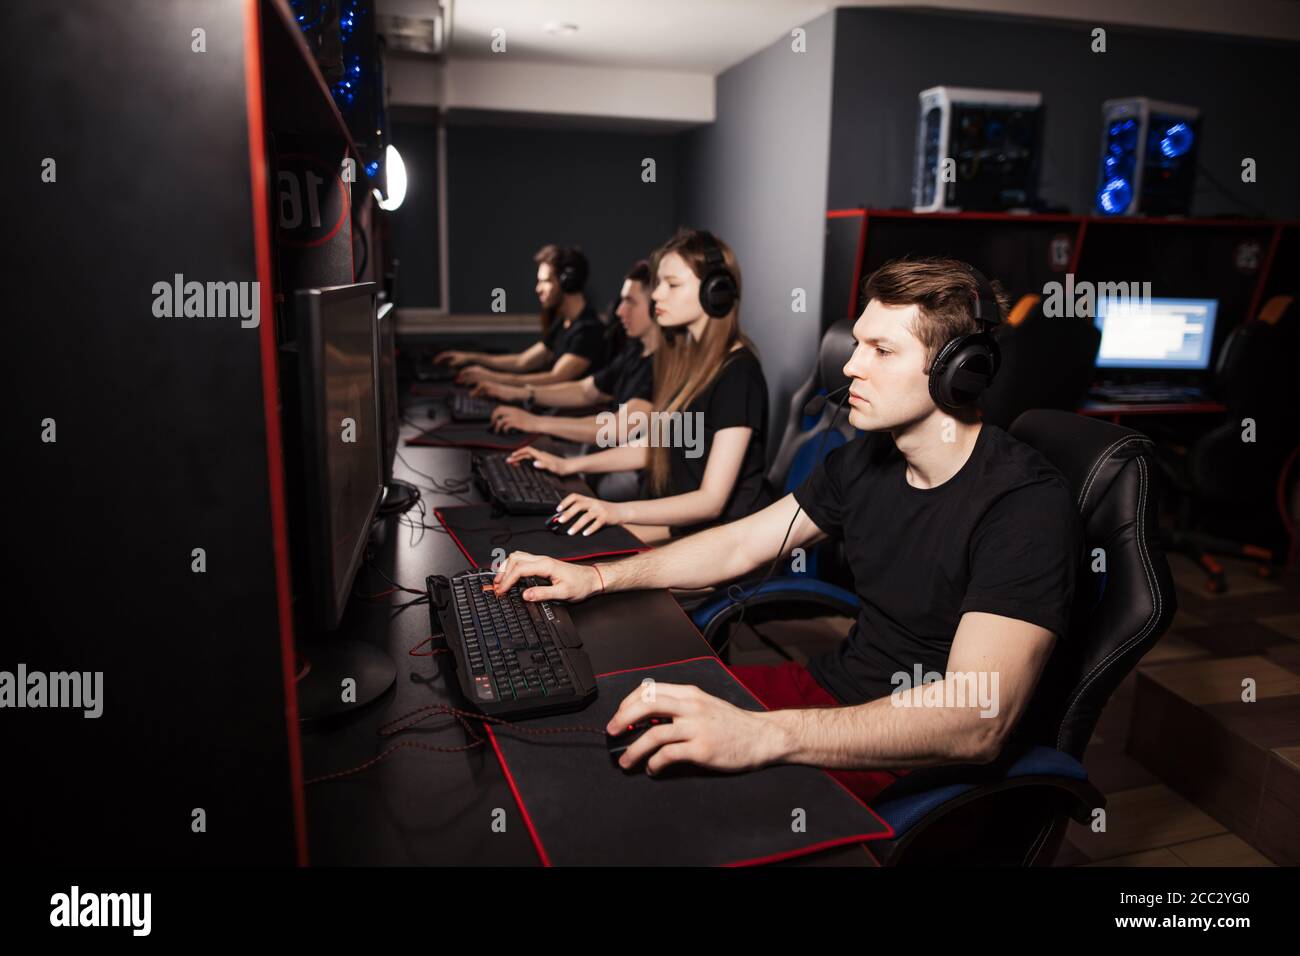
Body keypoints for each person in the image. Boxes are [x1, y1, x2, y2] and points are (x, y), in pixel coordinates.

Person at [492, 256, 1083, 805]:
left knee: (660, 801)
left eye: (881, 350)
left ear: (962, 372)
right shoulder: (863, 461)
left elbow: (975, 721)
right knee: (615, 720)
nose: (851, 366)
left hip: (911, 752)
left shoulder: (1023, 505)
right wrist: (597, 578)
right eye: (857, 344)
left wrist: (760, 736)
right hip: (828, 693)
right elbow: (743, 542)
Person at [505, 228, 773, 544]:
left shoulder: (738, 373)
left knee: (585, 552)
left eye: (672, 285)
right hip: (684, 530)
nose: (657, 295)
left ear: (716, 293)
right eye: (659, 284)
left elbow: (710, 502)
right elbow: (655, 446)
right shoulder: (688, 361)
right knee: (563, 539)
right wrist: (569, 465)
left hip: (720, 543)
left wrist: (619, 511)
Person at [471, 259, 658, 446]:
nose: (619, 311)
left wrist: (534, 422)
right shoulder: (634, 352)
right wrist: (519, 393)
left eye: (630, 302)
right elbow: (586, 391)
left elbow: (617, 429)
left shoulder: (662, 365)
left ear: (655, 307)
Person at [433, 245, 604, 387]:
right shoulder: (564, 323)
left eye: (545, 281)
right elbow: (522, 361)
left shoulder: (588, 330)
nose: (538, 289)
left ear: (568, 281)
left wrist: (492, 378)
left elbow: (555, 378)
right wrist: (471, 358)